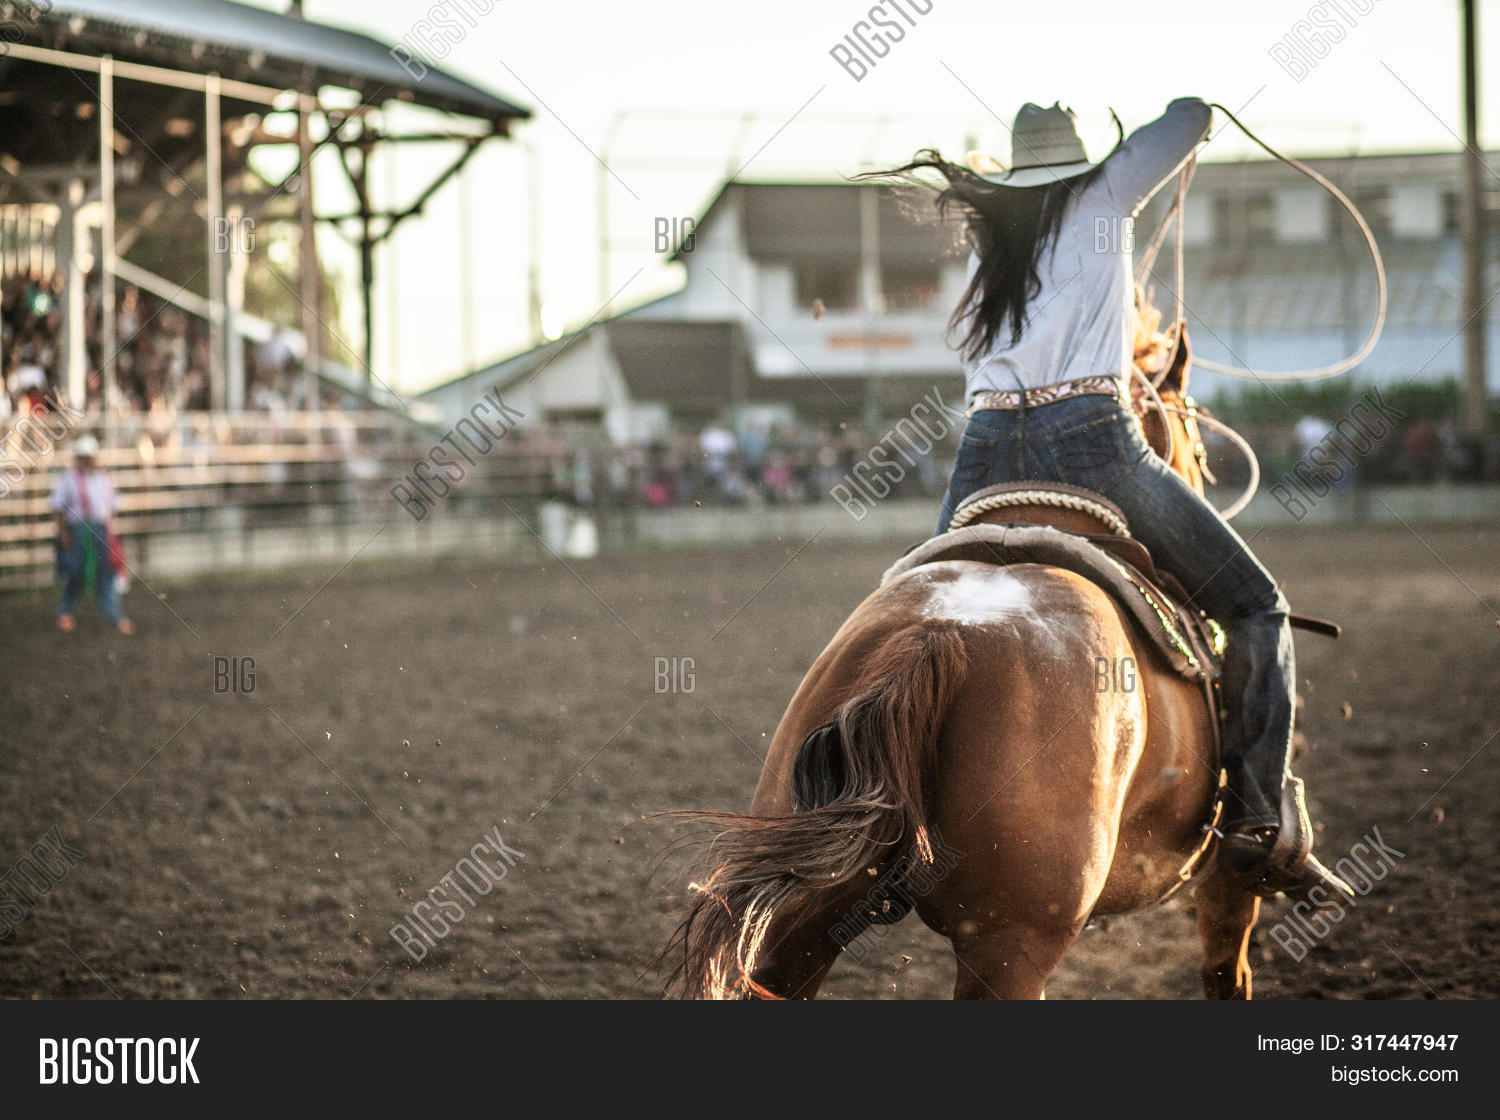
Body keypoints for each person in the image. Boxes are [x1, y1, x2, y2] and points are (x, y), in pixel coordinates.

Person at [875, 98, 1349, 900]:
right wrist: (1198, 112)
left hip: (985, 451)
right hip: (1091, 444)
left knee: (905, 618)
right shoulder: (1105, 196)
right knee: (1256, 606)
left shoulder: (991, 242)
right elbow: (1187, 119)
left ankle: (884, 817)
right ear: (1079, 161)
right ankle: (1259, 818)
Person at [51, 434, 133, 635]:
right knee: (74, 571)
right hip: (77, 528)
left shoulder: (104, 478)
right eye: (83, 456)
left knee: (106, 572)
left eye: (89, 456)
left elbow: (111, 507)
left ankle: (113, 614)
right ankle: (66, 612)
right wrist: (63, 533)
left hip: (100, 528)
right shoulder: (68, 478)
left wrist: (111, 530)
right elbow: (59, 508)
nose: (87, 460)